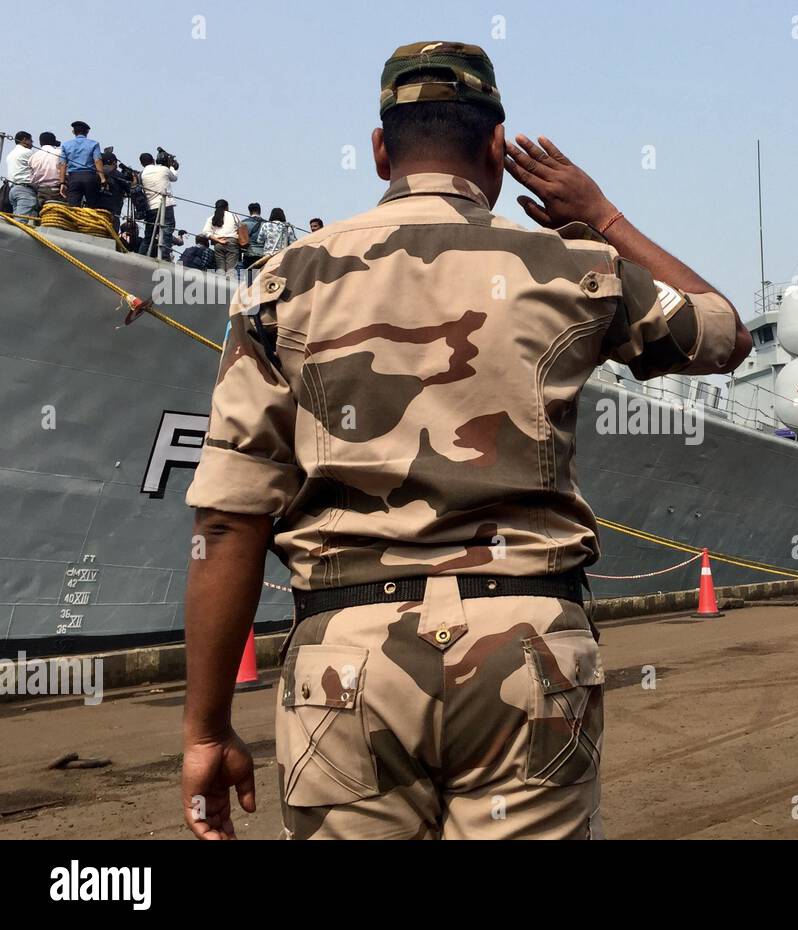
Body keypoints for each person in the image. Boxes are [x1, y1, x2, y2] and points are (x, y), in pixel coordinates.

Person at [180, 40, 750, 842]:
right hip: (530, 654)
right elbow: (726, 336)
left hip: (346, 660)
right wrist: (604, 218)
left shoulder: (282, 282)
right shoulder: (575, 264)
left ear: (381, 151)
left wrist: (206, 730)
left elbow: (227, 521)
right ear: (495, 147)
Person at [138, 151, 179, 260]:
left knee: (149, 234)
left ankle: (141, 256)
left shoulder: (141, 174)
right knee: (167, 231)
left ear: (142, 164)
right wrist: (172, 166)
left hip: (151, 207)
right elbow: (174, 177)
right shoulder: (163, 169)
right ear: (153, 160)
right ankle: (164, 256)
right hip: (166, 205)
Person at [58, 121, 107, 209]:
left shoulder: (66, 145)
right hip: (90, 178)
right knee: (93, 208)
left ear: (73, 132)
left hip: (73, 178)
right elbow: (97, 161)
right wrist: (103, 178)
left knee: (73, 208)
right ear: (87, 132)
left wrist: (62, 182)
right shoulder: (94, 144)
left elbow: (63, 164)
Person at [3, 131, 39, 223]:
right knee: (21, 222)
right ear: (24, 140)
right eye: (31, 141)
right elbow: (39, 166)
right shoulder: (28, 152)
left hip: (13, 190)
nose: (32, 144)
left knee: (18, 220)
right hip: (24, 190)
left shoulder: (10, 154)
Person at [201, 199, 241, 273]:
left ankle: (220, 283)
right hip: (232, 242)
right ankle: (229, 283)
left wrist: (218, 240)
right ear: (227, 207)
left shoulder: (211, 218)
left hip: (218, 244)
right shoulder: (233, 216)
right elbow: (240, 228)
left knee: (220, 269)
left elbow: (205, 232)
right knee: (231, 269)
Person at [29, 132, 64, 208]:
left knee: (43, 214)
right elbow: (66, 171)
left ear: (40, 142)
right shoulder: (60, 153)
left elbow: (31, 179)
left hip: (41, 191)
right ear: (53, 141)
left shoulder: (33, 157)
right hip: (58, 191)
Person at [98, 149, 132, 220]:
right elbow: (129, 191)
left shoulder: (97, 172)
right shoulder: (118, 174)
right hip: (112, 208)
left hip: (96, 207)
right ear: (114, 162)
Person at [238, 202, 264, 269]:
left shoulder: (243, 223)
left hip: (249, 254)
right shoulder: (266, 224)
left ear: (249, 211)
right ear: (260, 211)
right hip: (263, 255)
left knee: (249, 277)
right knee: (260, 277)